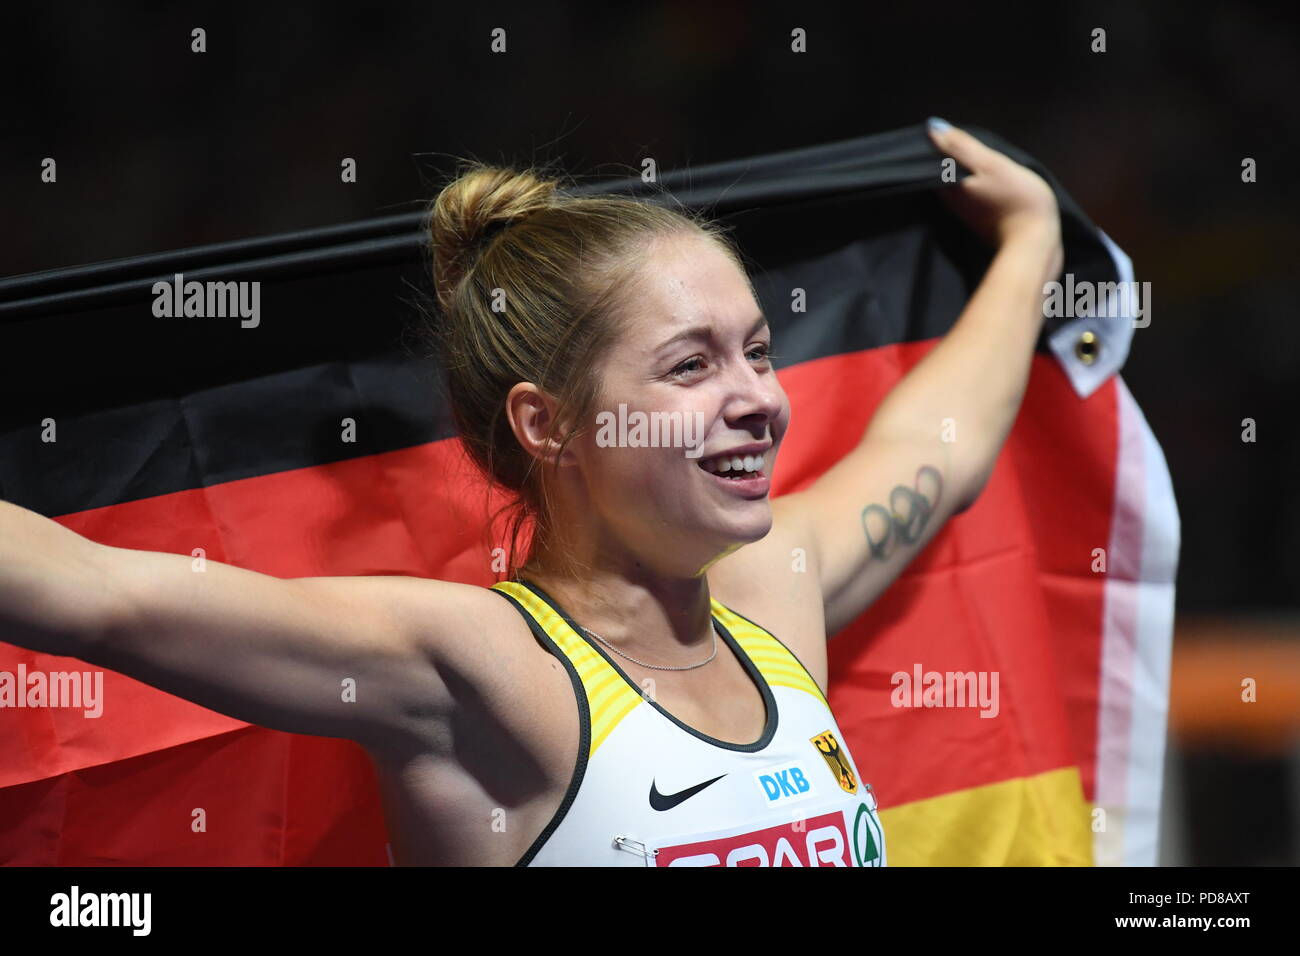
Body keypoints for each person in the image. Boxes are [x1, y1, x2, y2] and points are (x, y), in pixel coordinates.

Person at [0, 119, 1062, 866]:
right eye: (690, 366)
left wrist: (1032, 242)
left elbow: (937, 443)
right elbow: (94, 590)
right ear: (547, 423)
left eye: (756, 351)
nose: (758, 401)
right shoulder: (486, 672)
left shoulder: (772, 598)